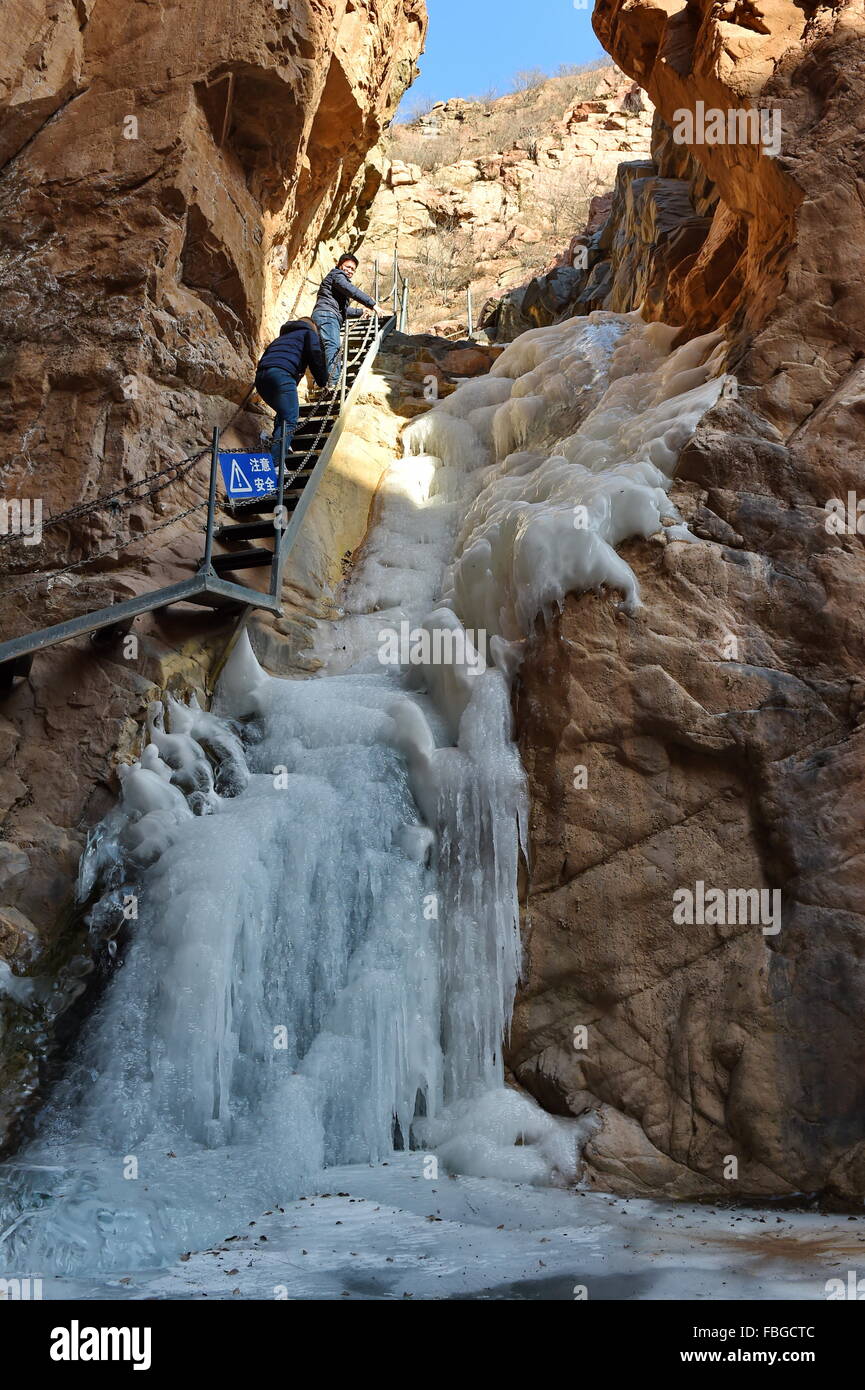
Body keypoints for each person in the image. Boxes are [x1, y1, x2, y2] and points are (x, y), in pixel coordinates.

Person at [254, 317, 328, 454]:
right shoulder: (309, 333)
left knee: (283, 413)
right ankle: (276, 463)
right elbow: (315, 355)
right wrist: (323, 381)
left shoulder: (282, 338)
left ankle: (278, 444)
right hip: (282, 374)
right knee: (290, 418)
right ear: (313, 326)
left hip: (261, 378)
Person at [311, 253, 385, 385]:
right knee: (333, 346)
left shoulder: (335, 282)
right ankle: (333, 384)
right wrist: (372, 304)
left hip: (323, 315)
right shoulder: (337, 275)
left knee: (324, 350)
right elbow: (351, 290)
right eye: (348, 267)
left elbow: (342, 310)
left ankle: (323, 383)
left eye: (353, 269)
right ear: (340, 265)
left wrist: (360, 311)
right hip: (327, 316)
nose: (350, 271)